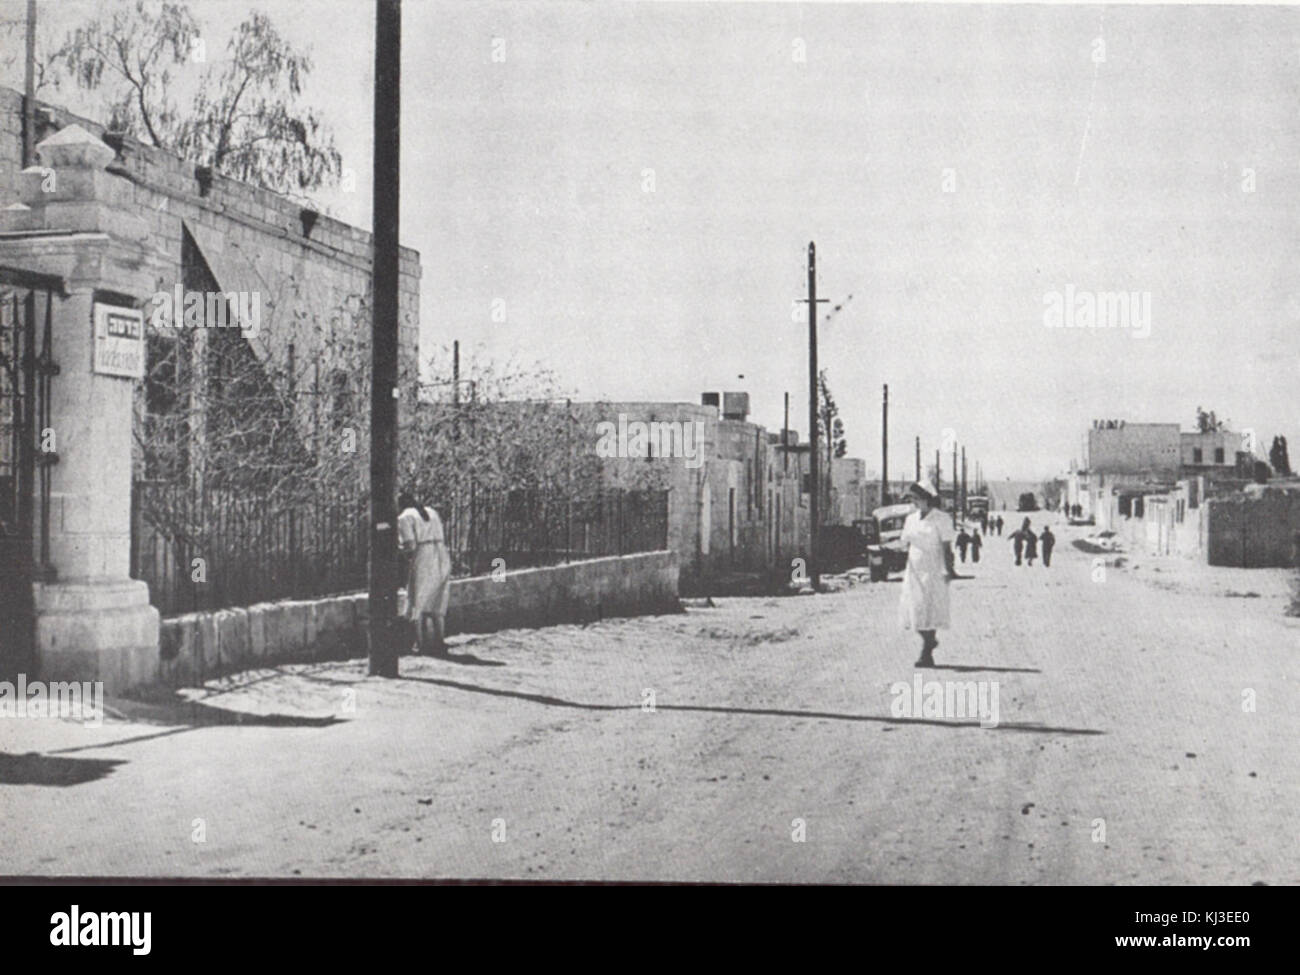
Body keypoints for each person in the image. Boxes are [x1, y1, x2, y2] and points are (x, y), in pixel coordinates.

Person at [898, 481, 957, 668]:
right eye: (912, 499)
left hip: (933, 569)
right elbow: (905, 543)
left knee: (929, 609)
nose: (914, 502)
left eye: (916, 498)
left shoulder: (942, 518)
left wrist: (949, 569)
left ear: (927, 499)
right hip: (914, 568)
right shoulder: (911, 519)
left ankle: (926, 652)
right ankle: (928, 642)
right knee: (914, 609)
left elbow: (947, 547)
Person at [397, 490, 452, 655]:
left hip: (424, 556)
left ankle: (419, 644)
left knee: (417, 598)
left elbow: (410, 546)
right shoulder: (432, 512)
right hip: (442, 554)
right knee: (438, 599)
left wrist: (397, 549)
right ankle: (440, 641)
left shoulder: (404, 518)